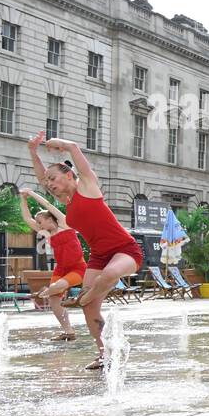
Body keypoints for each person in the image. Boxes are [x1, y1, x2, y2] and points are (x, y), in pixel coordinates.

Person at [28, 131, 144, 369]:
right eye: (48, 182)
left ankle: (86, 296)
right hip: (99, 256)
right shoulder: (66, 202)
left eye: (53, 178)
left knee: (109, 276)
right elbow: (41, 179)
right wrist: (32, 151)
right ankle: (105, 354)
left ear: (69, 175)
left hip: (125, 250)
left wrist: (65, 145)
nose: (49, 184)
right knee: (90, 309)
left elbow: (77, 154)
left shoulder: (87, 186)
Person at [18, 188, 85, 341]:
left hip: (78, 268)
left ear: (50, 219)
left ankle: (40, 294)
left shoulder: (64, 223)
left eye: (41, 222)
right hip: (60, 269)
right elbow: (27, 219)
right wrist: (23, 199)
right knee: (54, 303)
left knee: (56, 287)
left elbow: (47, 204)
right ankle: (69, 332)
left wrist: (31, 193)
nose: (39, 226)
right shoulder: (47, 233)